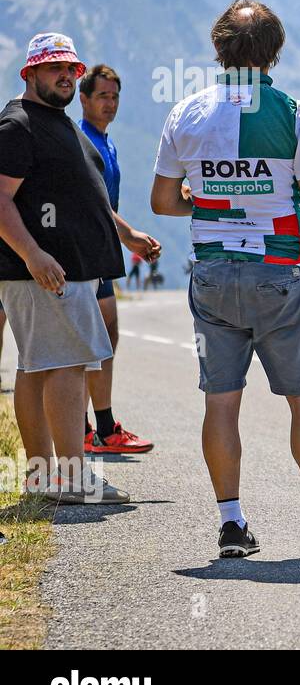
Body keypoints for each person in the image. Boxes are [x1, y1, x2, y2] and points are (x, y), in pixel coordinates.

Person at [150, 0, 300, 558]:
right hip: (280, 272)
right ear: (276, 52)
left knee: (221, 402)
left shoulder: (184, 114)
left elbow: (163, 200)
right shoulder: (293, 113)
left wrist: (214, 197)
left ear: (218, 49)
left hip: (213, 274)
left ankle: (232, 525)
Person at [0, 33, 157, 503]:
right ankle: (70, 478)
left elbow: (84, 194)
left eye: (70, 69)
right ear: (30, 73)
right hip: (44, 271)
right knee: (66, 364)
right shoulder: (18, 126)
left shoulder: (57, 122)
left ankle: (42, 475)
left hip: (57, 271)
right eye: (54, 69)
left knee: (38, 368)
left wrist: (125, 234)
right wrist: (32, 253)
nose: (66, 76)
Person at [78, 64, 154, 454]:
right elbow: (94, 204)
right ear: (84, 99)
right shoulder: (80, 140)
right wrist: (130, 236)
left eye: (115, 96)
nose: (110, 103)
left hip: (102, 253)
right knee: (84, 342)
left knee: (107, 337)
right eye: (102, 96)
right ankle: (86, 428)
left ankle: (101, 427)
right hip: (81, 256)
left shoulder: (108, 142)